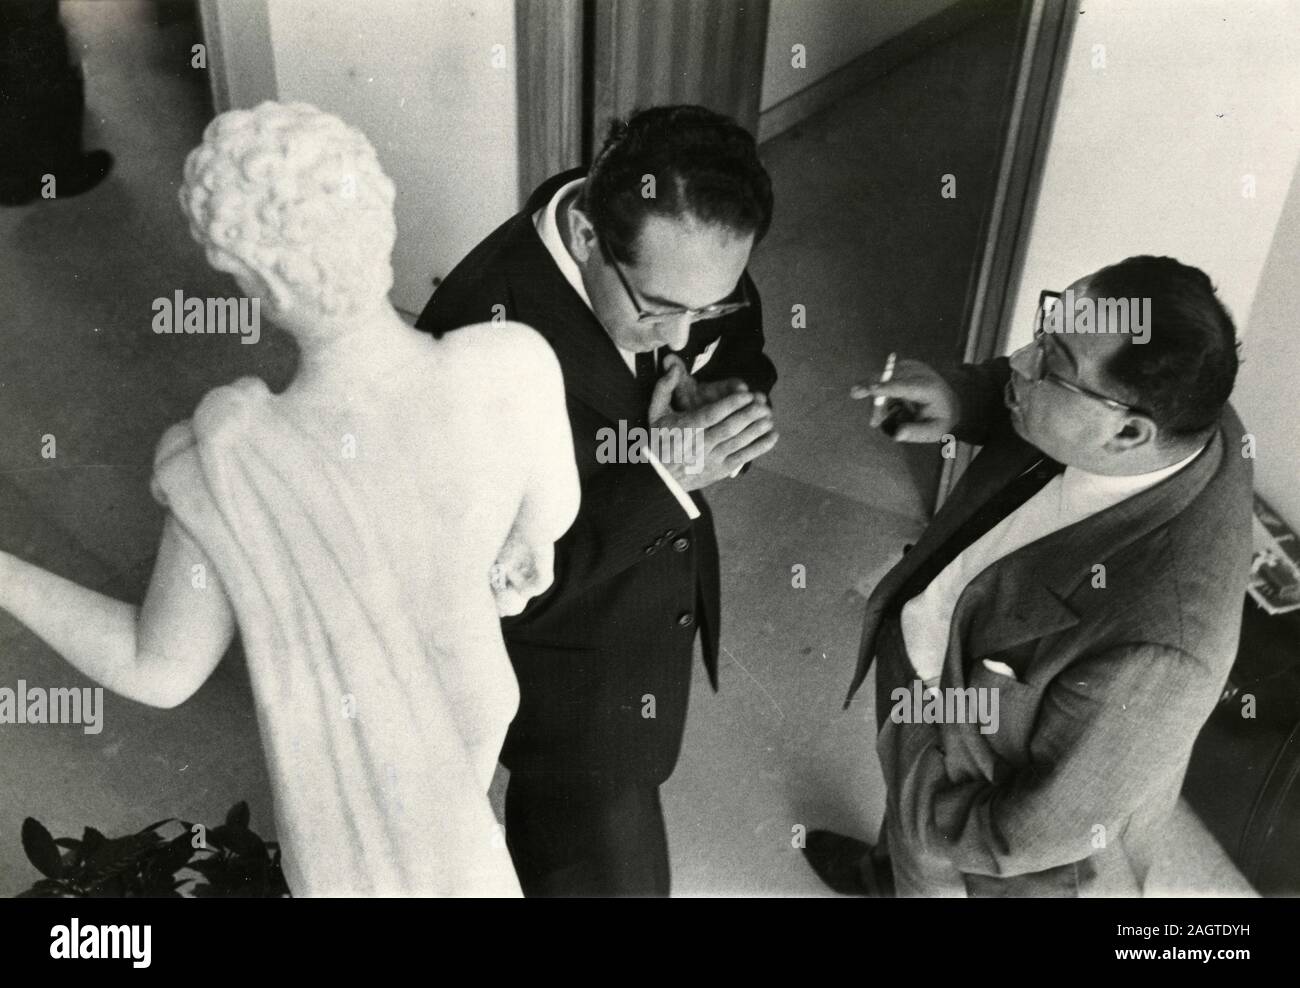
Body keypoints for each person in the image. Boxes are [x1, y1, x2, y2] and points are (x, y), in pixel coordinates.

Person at [0, 101, 579, 896]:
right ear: (379, 214)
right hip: (477, 708)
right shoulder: (515, 364)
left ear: (256, 281)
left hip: (352, 803)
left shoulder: (227, 465)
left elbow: (156, 669)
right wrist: (519, 554)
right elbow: (549, 522)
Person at [417, 104, 779, 896]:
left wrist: (727, 398)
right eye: (660, 312)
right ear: (585, 235)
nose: (680, 340)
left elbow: (742, 347)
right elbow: (476, 599)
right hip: (566, 699)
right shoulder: (466, 353)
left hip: (643, 627)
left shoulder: (683, 245)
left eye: (703, 310)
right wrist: (662, 478)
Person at [804, 256, 1252, 896]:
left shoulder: (1163, 647)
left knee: (925, 875)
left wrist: (924, 810)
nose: (1019, 361)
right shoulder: (1179, 408)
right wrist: (960, 395)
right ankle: (887, 869)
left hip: (965, 794)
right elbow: (1020, 383)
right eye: (1046, 328)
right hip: (942, 671)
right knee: (899, 850)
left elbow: (1039, 832)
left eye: (1051, 362)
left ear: (1128, 432)